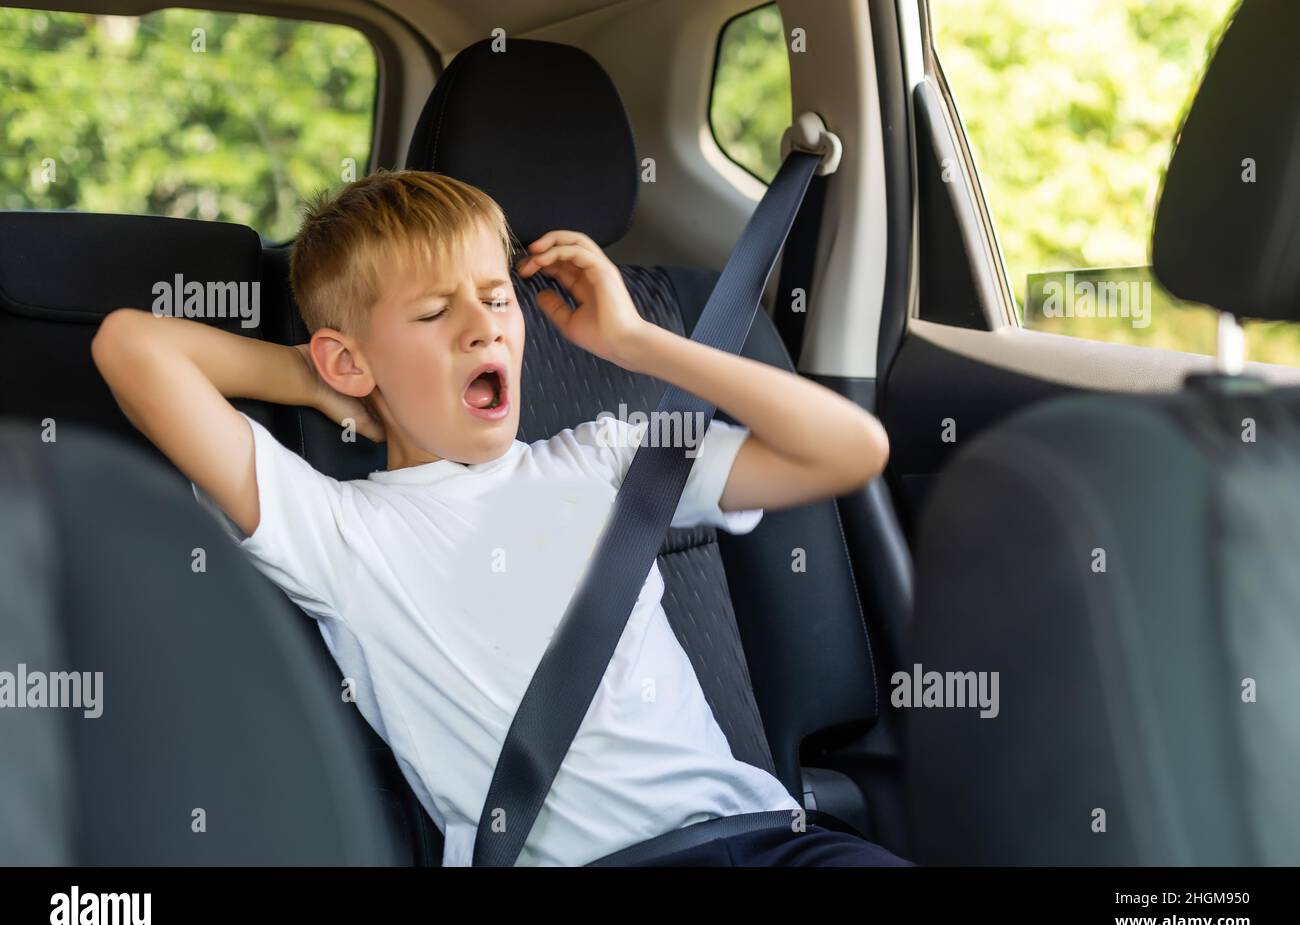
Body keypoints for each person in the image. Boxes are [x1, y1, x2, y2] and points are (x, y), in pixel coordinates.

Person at [91, 169, 901, 867]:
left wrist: (636, 342)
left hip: (769, 839)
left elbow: (848, 449)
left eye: (496, 298)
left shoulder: (608, 459)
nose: (482, 326)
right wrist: (313, 378)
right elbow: (131, 346)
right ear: (347, 357)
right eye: (433, 313)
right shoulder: (340, 534)